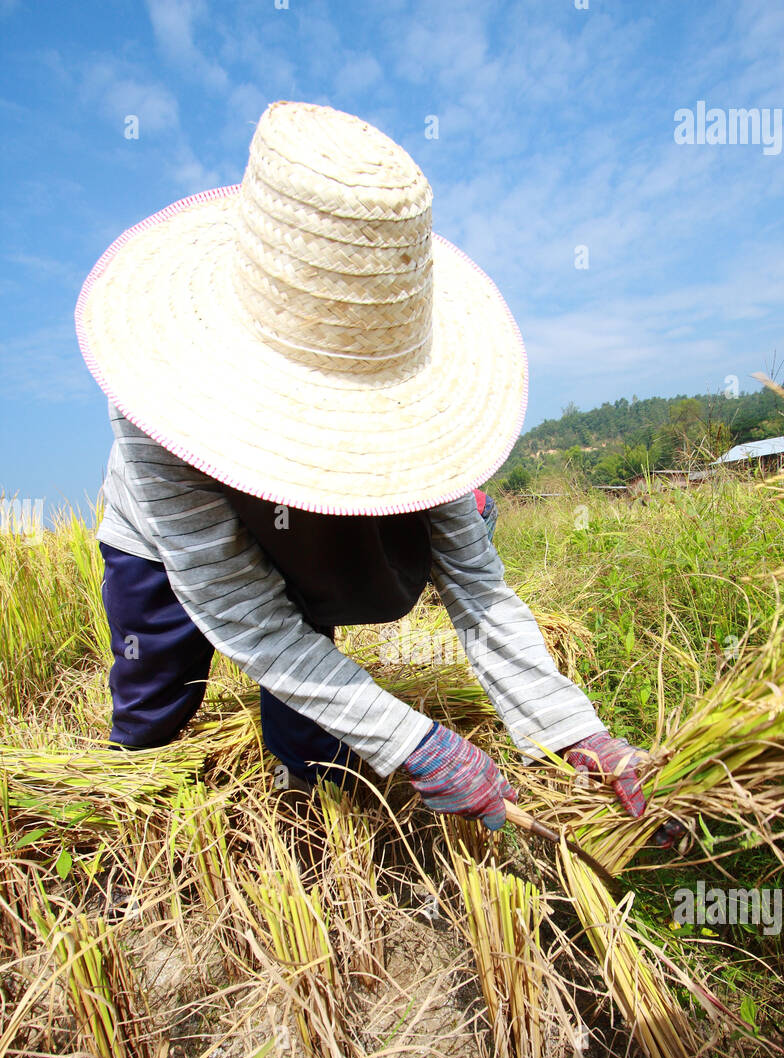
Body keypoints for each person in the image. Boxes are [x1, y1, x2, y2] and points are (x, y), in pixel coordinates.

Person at [77, 101, 679, 846]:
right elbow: (241, 610)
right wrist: (418, 744)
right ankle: (122, 819)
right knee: (154, 697)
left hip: (309, 532)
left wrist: (576, 732)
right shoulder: (158, 406)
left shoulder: (418, 439)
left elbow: (480, 594)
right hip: (163, 547)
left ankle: (309, 806)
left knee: (314, 709)